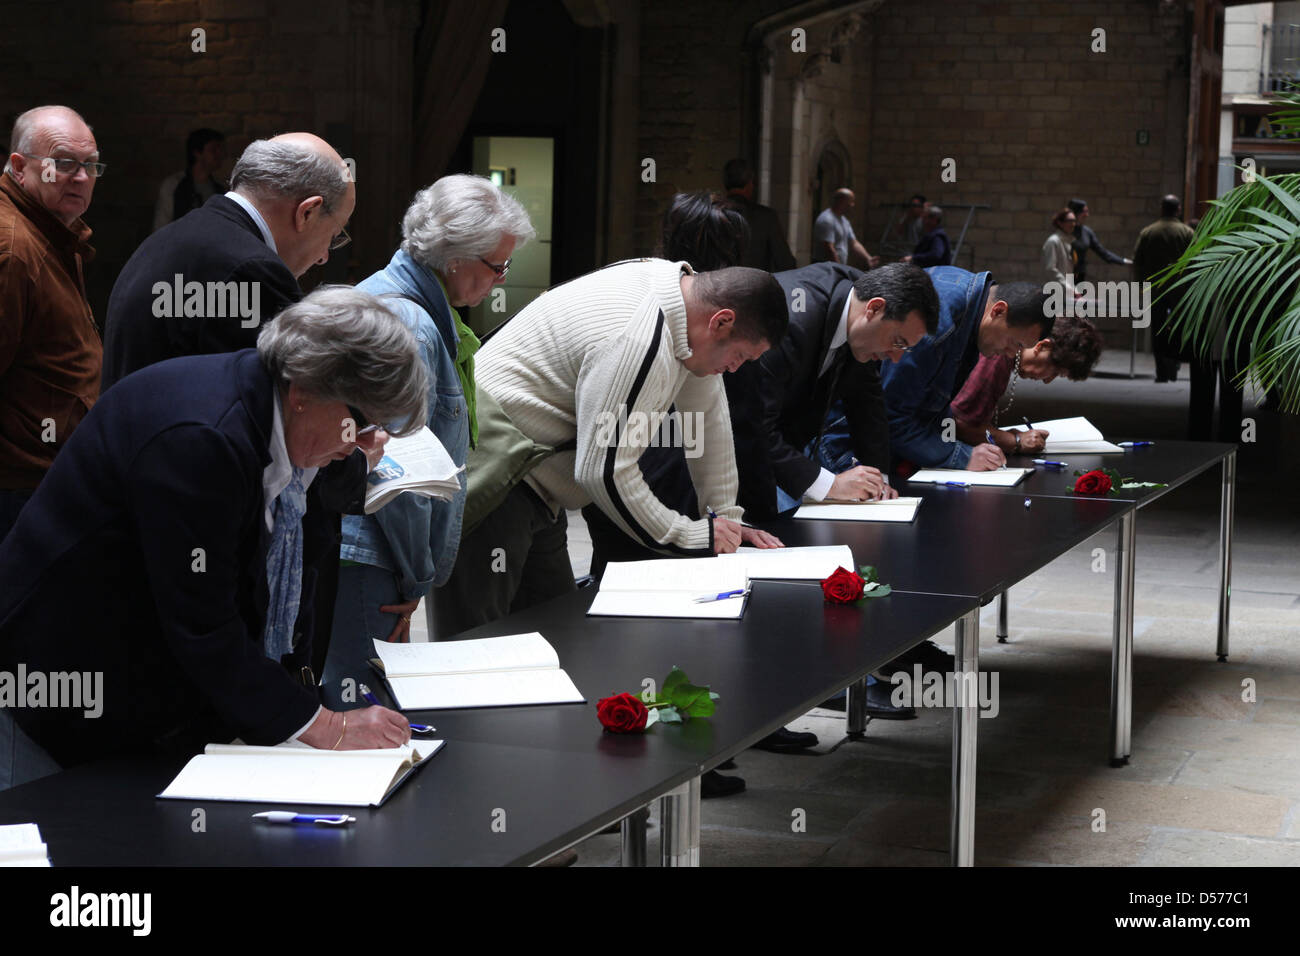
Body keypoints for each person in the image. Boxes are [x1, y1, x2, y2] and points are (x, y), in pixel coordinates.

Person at [0, 288, 426, 791]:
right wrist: (328, 728)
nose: (364, 444)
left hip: (140, 690)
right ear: (305, 388)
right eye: (364, 423)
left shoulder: (280, 422)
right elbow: (203, 623)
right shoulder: (202, 441)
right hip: (58, 689)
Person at [433, 260, 788, 640]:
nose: (735, 369)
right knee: (471, 647)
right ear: (721, 321)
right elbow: (604, 472)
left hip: (534, 479)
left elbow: (707, 421)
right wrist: (692, 536)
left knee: (558, 642)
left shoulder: (680, 306)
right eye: (740, 357)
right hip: (492, 476)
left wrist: (726, 523)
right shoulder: (639, 336)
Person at [324, 174, 535, 697]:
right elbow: (402, 467)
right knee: (361, 715)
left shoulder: (386, 295)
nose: (502, 280)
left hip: (365, 548)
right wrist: (416, 576)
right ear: (457, 256)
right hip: (372, 551)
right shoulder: (411, 325)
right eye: (498, 266)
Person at [102, 132, 355, 389]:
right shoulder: (252, 269)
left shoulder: (168, 238)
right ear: (308, 212)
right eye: (334, 237)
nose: (324, 257)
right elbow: (283, 407)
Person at [0, 106, 103, 541]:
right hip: (18, 487)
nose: (80, 177)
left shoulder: (51, 229)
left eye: (91, 165)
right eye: (63, 163)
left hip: (43, 477)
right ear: (20, 167)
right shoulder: (13, 249)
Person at [867, 271, 1053, 472]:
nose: (1010, 354)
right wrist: (961, 456)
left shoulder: (972, 311)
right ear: (998, 311)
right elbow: (891, 418)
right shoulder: (939, 326)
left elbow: (937, 409)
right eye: (1014, 343)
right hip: (849, 447)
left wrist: (954, 446)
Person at [949, 316, 1104, 456]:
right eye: (1055, 371)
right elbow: (958, 423)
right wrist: (1015, 440)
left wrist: (1002, 434)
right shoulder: (997, 357)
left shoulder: (1005, 354)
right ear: (1042, 346)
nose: (1047, 380)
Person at [1133, 194, 1195, 384]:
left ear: (1161, 209)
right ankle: (1174, 367)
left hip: (1156, 289)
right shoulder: (1187, 232)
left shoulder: (1148, 232)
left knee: (1158, 330)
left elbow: (1138, 261)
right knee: (1178, 329)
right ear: (1178, 210)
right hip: (1180, 289)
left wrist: (1141, 284)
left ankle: (1161, 372)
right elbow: (1195, 260)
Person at [721, 158, 795, 272]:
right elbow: (784, 262)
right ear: (750, 183)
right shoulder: (766, 217)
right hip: (755, 285)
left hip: (718, 286)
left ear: (725, 183)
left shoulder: (710, 214)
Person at [152, 128, 227, 232]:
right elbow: (161, 225)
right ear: (197, 153)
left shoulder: (219, 188)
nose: (219, 155)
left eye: (220, 150)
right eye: (213, 150)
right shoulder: (174, 185)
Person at [1067, 198, 1131, 287]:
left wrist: (1123, 261)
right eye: (1084, 212)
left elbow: (1103, 252)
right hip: (1064, 275)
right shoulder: (1066, 231)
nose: (1087, 215)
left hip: (1079, 276)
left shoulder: (1087, 232)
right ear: (1076, 213)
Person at [812, 188, 879, 269]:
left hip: (835, 267)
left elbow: (854, 243)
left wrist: (868, 258)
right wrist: (839, 269)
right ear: (842, 201)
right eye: (851, 201)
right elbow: (829, 248)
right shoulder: (826, 219)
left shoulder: (844, 220)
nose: (853, 205)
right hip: (825, 268)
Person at [1042, 208, 1077, 297]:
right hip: (1053, 294)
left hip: (1065, 293)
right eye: (1069, 221)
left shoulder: (1068, 242)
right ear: (1060, 223)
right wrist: (1068, 287)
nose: (1073, 224)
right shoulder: (1053, 241)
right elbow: (1050, 269)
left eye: (1074, 220)